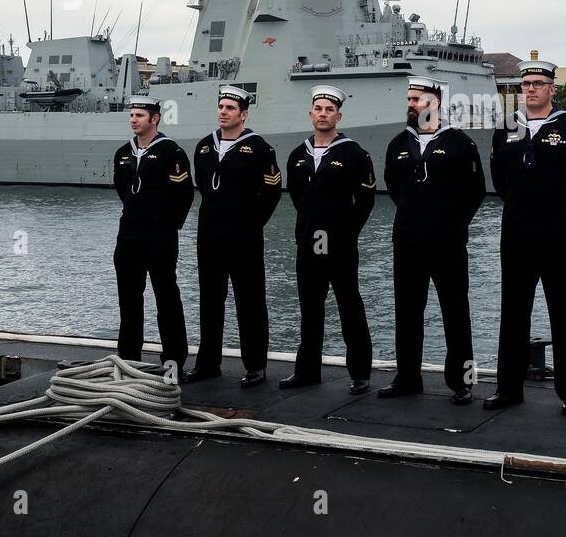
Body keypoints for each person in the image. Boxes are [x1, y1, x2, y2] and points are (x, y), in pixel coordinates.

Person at [485, 59, 566, 416]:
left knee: (563, 312)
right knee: (514, 311)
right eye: (526, 83)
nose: (531, 88)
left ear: (552, 88)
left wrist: (563, 215)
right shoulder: (505, 128)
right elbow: (500, 180)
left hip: (558, 236)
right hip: (517, 234)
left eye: (538, 83)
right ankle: (508, 388)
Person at [381, 76, 486, 404]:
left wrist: (451, 222)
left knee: (456, 312)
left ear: (435, 102)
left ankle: (462, 381)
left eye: (417, 99)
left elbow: (476, 190)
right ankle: (407, 377)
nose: (410, 104)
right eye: (409, 99)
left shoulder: (460, 142)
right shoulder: (398, 143)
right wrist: (415, 214)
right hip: (408, 241)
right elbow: (393, 185)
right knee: (407, 311)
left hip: (448, 243)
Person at [280, 84, 376, 394]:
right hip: (308, 243)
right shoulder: (297, 155)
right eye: (318, 109)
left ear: (338, 115)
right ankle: (306, 372)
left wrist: (346, 232)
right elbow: (298, 196)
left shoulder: (354, 153)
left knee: (350, 306)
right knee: (309, 308)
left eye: (329, 110)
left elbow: (365, 200)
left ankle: (360, 373)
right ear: (311, 114)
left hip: (340, 245)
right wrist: (311, 225)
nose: (323, 114)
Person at [184, 86, 282, 387]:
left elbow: (272, 191)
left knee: (250, 302)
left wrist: (251, 223)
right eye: (221, 106)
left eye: (230, 108)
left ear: (243, 114)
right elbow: (202, 185)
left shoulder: (260, 148)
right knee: (210, 301)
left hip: (244, 238)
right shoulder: (203, 146)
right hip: (210, 236)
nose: (223, 111)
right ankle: (208, 363)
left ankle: (255, 366)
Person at [112, 94, 194, 374]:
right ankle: (128, 358)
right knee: (129, 298)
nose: (133, 120)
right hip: (129, 236)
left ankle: (173, 360)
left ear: (154, 118)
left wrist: (166, 224)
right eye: (132, 115)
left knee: (166, 297)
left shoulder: (172, 152)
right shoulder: (123, 152)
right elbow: (122, 189)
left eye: (139, 116)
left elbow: (184, 195)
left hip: (160, 236)